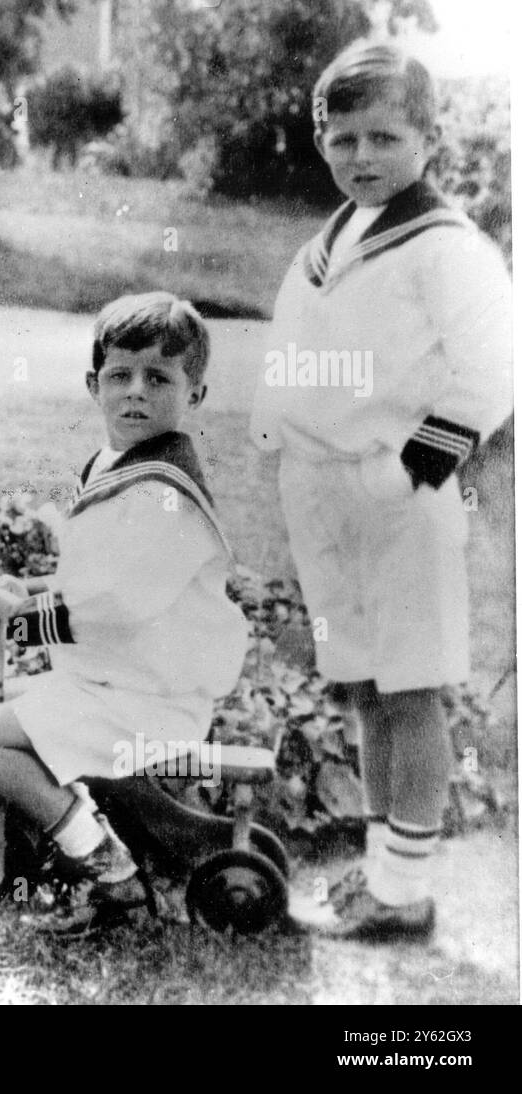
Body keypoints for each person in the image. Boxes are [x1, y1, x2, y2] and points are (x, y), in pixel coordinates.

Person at [249, 41, 512, 940]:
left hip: (399, 496)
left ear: (428, 140)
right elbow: (290, 354)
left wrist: (412, 468)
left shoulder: (448, 247)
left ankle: (406, 890)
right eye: (345, 137)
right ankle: (379, 875)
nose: (363, 157)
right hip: (322, 494)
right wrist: (273, 431)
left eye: (386, 137)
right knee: (362, 685)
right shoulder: (325, 244)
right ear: (321, 138)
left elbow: (491, 367)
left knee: (411, 692)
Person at [0, 292, 249, 933]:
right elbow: (96, 581)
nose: (135, 392)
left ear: (195, 395)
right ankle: (81, 825)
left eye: (159, 378)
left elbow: (122, 604)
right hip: (117, 680)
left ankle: (109, 870)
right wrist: (28, 588)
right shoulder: (119, 465)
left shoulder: (166, 492)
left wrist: (26, 620)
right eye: (120, 375)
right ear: (94, 385)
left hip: (150, 697)